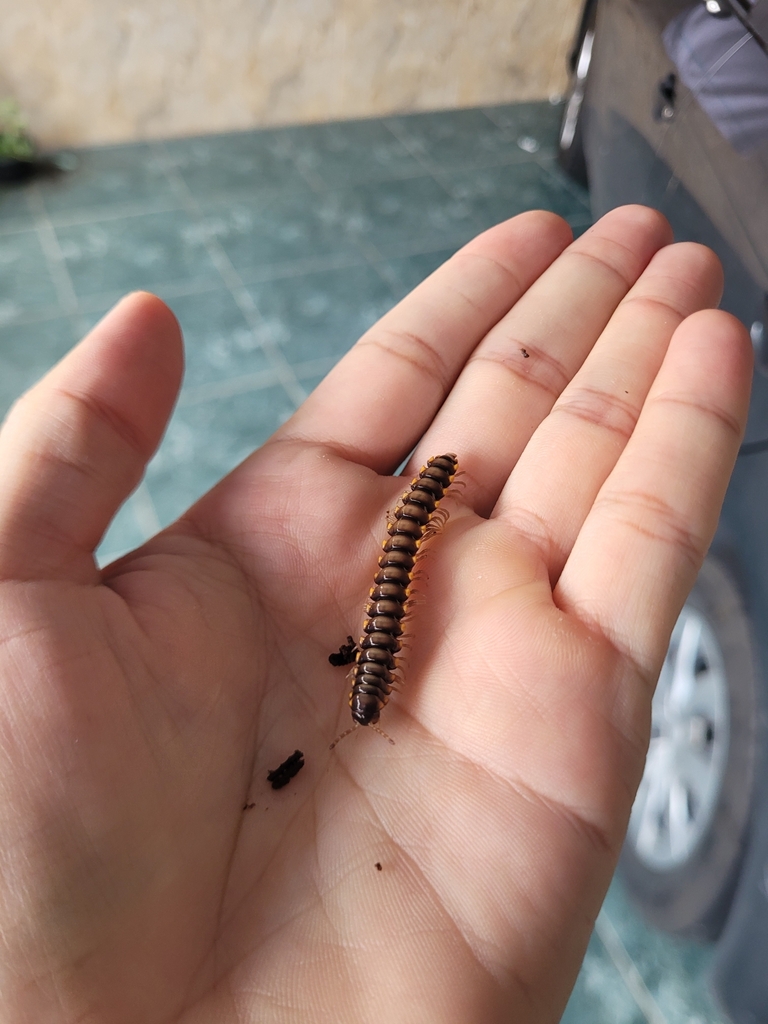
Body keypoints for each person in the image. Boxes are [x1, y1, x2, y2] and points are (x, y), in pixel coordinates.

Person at [0, 204, 751, 1023]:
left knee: (403, 572)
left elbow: (404, 574)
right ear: (375, 671)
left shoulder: (407, 552)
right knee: (402, 578)